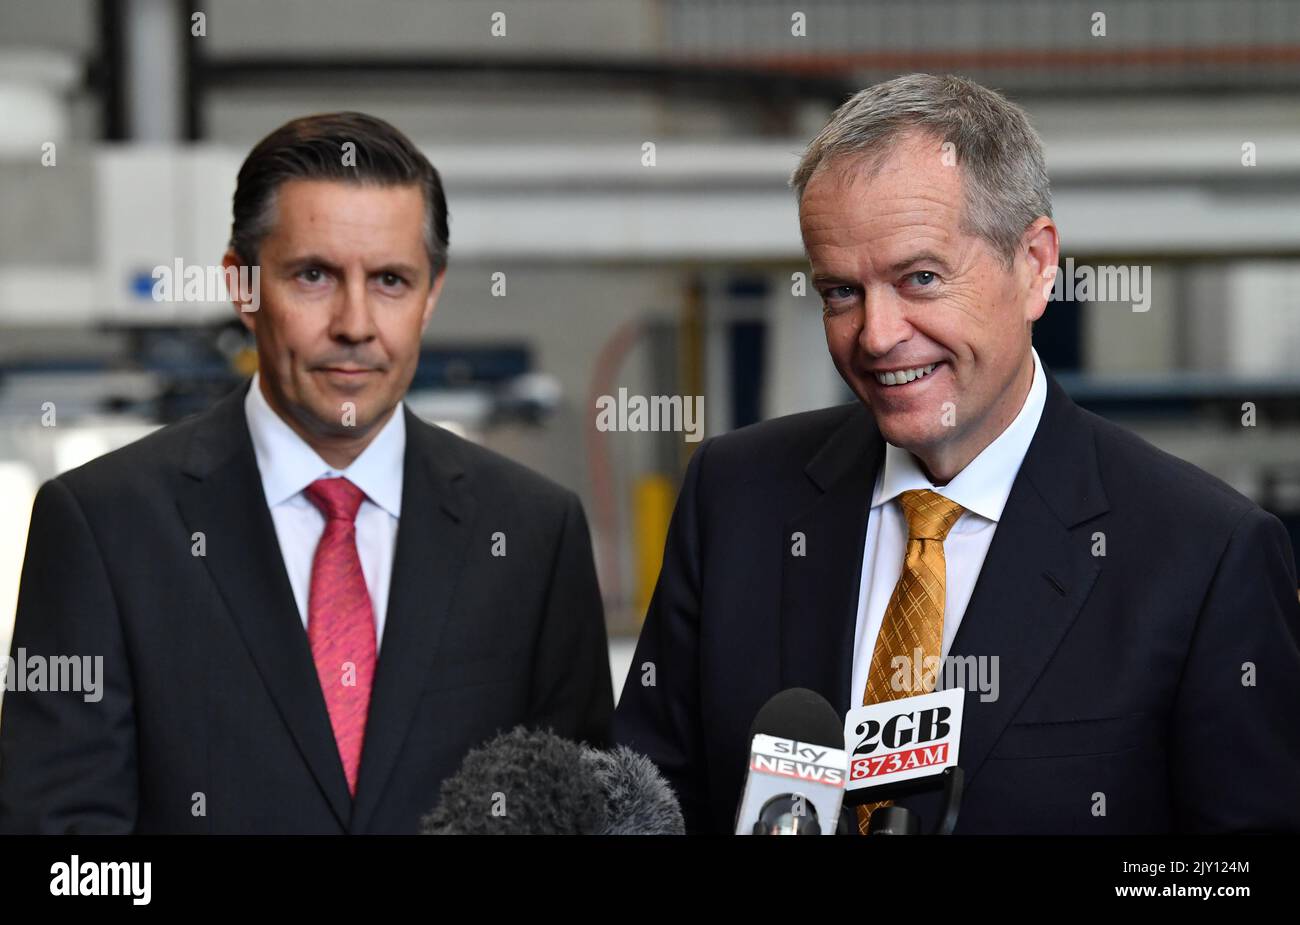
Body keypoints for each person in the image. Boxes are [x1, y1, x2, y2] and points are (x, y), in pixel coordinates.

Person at [614, 74, 1300, 834]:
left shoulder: (1203, 556)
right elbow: (651, 801)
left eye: (921, 278)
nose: (876, 335)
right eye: (841, 292)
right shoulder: (735, 498)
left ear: (1037, 264)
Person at [0, 112, 613, 834]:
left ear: (432, 293)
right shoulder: (103, 525)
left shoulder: (533, 536)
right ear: (243, 285)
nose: (355, 323)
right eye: (314, 275)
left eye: (390, 279)